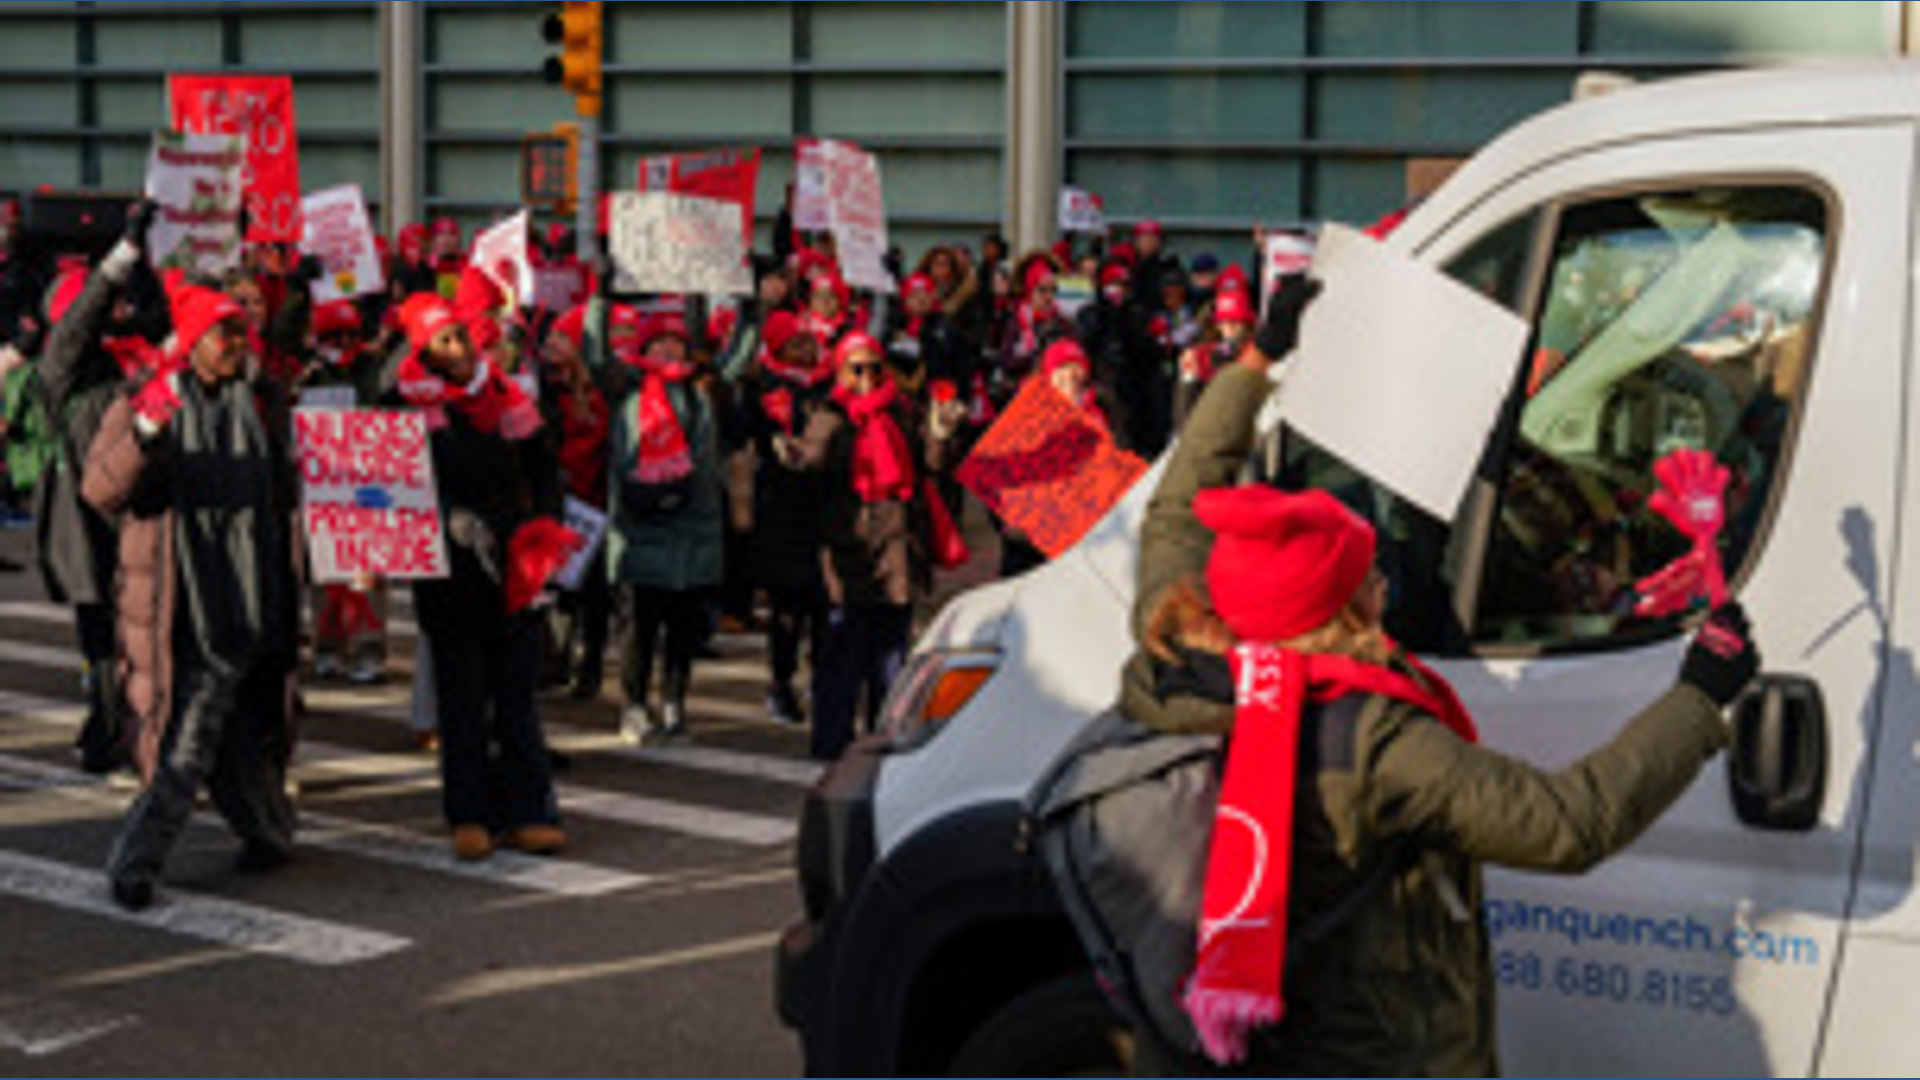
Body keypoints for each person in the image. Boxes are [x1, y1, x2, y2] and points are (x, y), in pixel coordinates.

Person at [1115, 277, 1763, 1076]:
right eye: (1368, 583)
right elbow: (1567, 823)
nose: (1386, 588)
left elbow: (1180, 508)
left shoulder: (1175, 652)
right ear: (1340, 612)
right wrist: (1700, 697)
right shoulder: (1371, 736)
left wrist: (1257, 359)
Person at [84, 284, 303, 911]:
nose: (236, 344)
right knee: (187, 745)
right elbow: (101, 490)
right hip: (189, 610)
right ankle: (135, 866)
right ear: (193, 341)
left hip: (257, 598)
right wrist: (148, 432)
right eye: (222, 332)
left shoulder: (264, 402)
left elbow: (290, 490)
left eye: (241, 331)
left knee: (241, 738)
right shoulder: (142, 402)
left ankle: (267, 835)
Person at [393, 294, 570, 863]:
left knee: (516, 696)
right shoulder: (405, 404)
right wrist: (444, 518)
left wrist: (543, 526)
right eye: (440, 342)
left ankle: (528, 808)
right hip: (449, 572)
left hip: (514, 565)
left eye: (459, 338)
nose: (456, 351)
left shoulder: (508, 395)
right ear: (423, 352)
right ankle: (469, 812)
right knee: (463, 700)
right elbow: (387, 479)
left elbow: (545, 467)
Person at [780, 332, 965, 761]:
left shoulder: (903, 409)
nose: (866, 377)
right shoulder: (829, 415)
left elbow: (931, 465)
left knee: (892, 659)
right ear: (841, 371)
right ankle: (832, 744)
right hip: (850, 549)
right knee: (843, 656)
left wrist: (941, 431)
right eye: (856, 368)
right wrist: (796, 457)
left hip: (897, 546)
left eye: (874, 368)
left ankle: (885, 740)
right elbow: (812, 467)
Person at [606, 311, 725, 746]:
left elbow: (706, 459)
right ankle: (634, 705)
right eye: (659, 343)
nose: (669, 350)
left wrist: (679, 488)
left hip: (689, 530)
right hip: (642, 531)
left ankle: (674, 702)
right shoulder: (629, 400)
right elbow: (621, 461)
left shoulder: (699, 399)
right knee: (639, 628)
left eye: (676, 342)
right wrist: (647, 495)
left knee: (682, 629)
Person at [736, 312, 834, 727]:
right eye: (794, 344)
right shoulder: (761, 386)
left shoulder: (828, 386)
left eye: (808, 342)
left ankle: (823, 679)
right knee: (787, 607)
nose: (805, 351)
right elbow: (743, 439)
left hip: (824, 508)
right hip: (781, 509)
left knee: (825, 603)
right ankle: (781, 682)